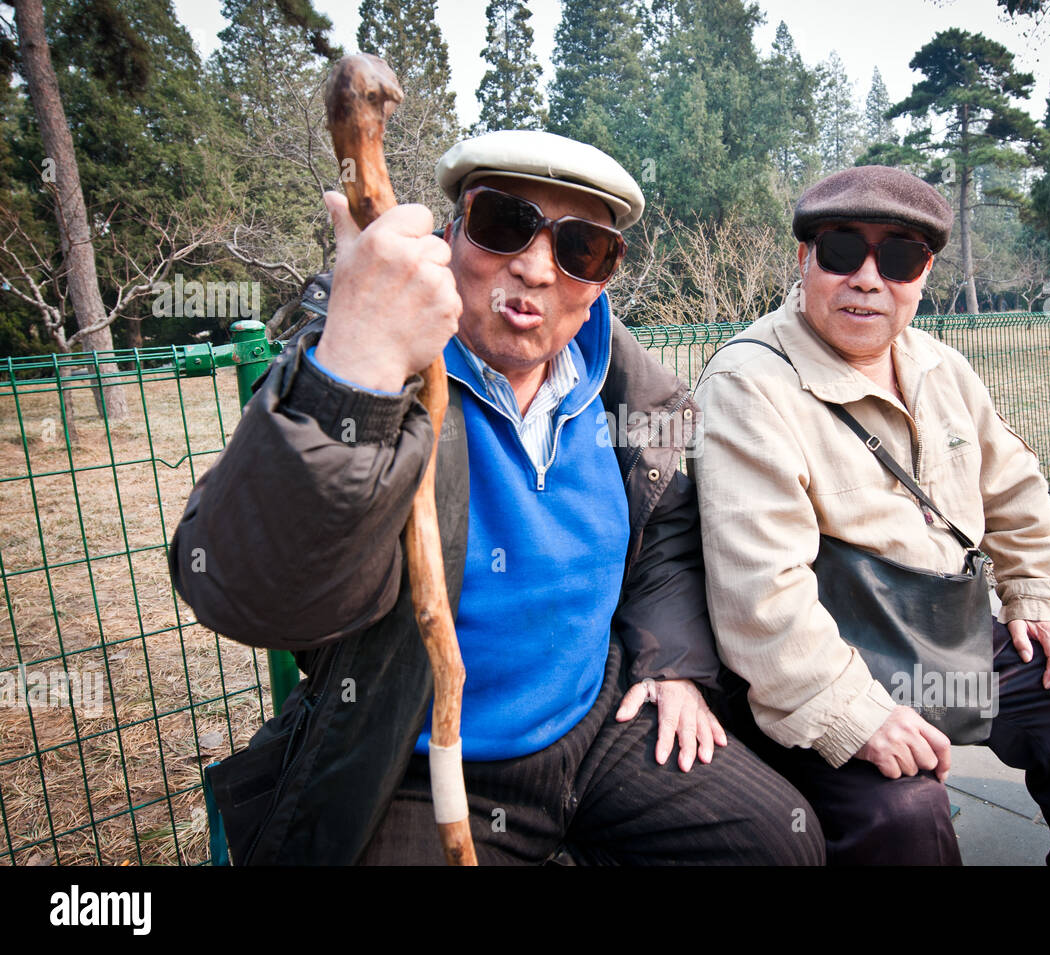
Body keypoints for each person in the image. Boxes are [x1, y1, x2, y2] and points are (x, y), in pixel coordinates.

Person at [171, 130, 822, 866]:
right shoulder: (374, 363)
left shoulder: (623, 388)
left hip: (598, 719)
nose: (536, 266)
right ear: (451, 235)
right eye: (504, 223)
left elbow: (667, 533)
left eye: (581, 248)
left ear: (604, 278)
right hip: (421, 754)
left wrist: (671, 661)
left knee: (775, 841)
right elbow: (247, 593)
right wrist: (356, 363)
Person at [691, 165, 1050, 865]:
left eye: (897, 257)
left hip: (941, 635)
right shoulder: (747, 384)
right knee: (906, 815)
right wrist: (853, 713)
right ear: (803, 260)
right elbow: (759, 591)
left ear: (924, 276)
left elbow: (1017, 491)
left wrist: (1037, 596)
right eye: (840, 250)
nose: (866, 277)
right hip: (826, 657)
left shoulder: (939, 367)